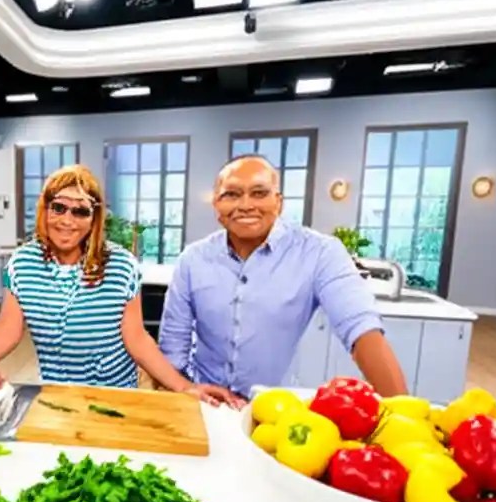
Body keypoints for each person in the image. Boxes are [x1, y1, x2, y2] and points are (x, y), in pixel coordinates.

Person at [0, 165, 236, 405]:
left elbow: (137, 339)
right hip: (58, 396)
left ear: (94, 218)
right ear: (45, 209)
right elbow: (7, 331)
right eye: (58, 207)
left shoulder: (122, 265)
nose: (67, 220)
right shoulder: (19, 265)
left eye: (80, 211)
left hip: (116, 395)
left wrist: (184, 387)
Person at [158, 155, 408, 405]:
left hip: (275, 407)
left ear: (278, 202)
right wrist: (185, 394)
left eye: (259, 193)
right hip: (203, 400)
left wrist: (403, 416)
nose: (245, 205)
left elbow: (361, 330)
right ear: (216, 204)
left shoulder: (319, 252)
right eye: (231, 195)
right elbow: (173, 350)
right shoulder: (192, 259)